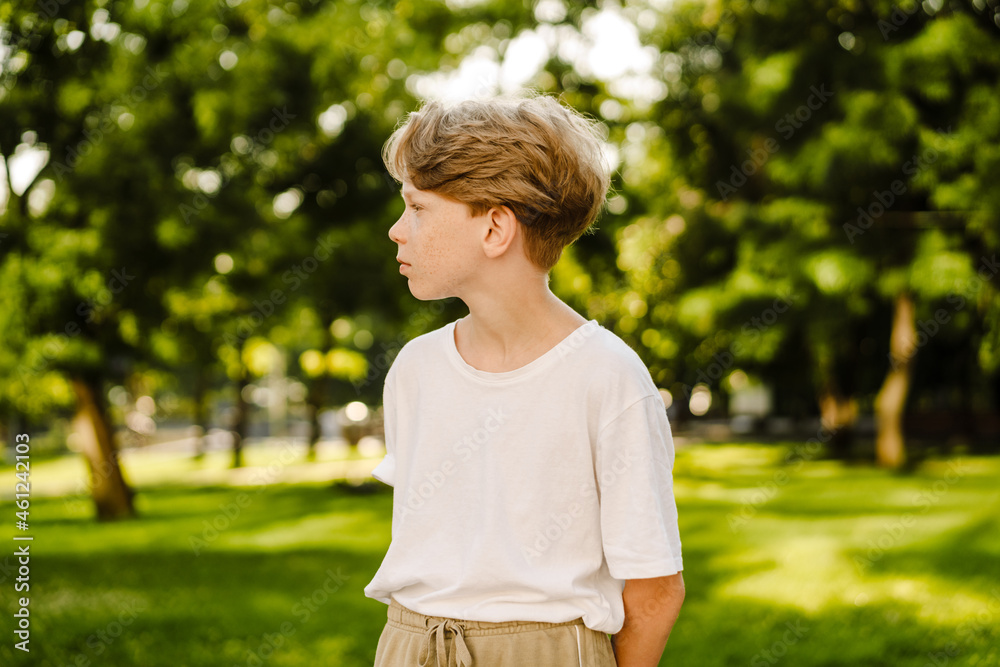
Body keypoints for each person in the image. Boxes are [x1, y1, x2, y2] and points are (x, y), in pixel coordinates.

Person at [364, 91, 684, 667]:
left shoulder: (606, 377)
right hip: (412, 646)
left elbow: (655, 590)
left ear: (495, 229)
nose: (396, 230)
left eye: (417, 208)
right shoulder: (415, 369)